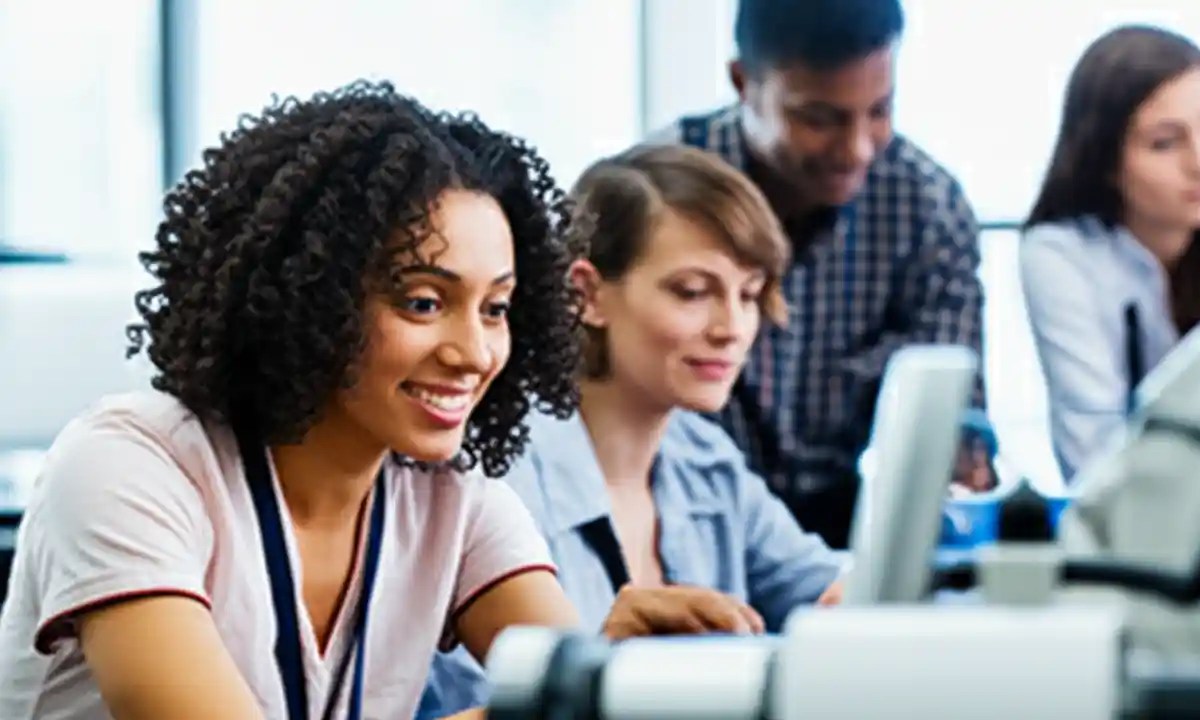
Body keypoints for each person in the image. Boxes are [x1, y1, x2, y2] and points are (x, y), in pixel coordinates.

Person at [0, 82, 696, 720]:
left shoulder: (452, 499)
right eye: (424, 302)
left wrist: (617, 680)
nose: (475, 353)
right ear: (310, 297)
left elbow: (561, 680)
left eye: (495, 308)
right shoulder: (127, 467)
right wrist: (555, 704)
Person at [418, 143, 845, 719]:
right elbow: (490, 697)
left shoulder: (703, 457)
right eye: (693, 292)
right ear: (588, 294)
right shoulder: (499, 475)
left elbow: (817, 584)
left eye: (748, 294)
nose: (733, 328)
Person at [651, 0, 985, 548]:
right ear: (743, 83)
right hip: (683, 519)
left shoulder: (929, 209)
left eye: (879, 110)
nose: (856, 148)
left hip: (865, 525)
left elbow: (953, 416)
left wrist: (960, 461)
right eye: (819, 118)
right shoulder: (657, 197)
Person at [1021, 25, 1200, 482]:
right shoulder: (1063, 255)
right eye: (1165, 142)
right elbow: (1093, 459)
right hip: (1143, 531)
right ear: (1105, 161)